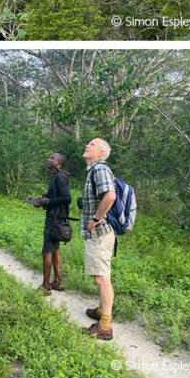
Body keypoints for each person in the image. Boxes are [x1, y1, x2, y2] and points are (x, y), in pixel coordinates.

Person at [80, 137, 117, 340]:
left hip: (100, 233)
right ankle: (101, 309)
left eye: (92, 144)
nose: (87, 145)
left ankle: (105, 326)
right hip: (100, 233)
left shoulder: (100, 168)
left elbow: (110, 196)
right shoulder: (94, 170)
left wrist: (95, 220)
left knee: (101, 278)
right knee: (103, 275)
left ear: (101, 153)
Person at [28, 153, 71, 295]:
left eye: (52, 158)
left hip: (54, 220)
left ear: (59, 163)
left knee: (46, 252)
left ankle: (45, 286)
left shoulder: (59, 177)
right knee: (55, 249)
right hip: (57, 218)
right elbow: (54, 197)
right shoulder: (56, 176)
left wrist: (49, 202)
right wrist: (43, 201)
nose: (48, 159)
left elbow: (67, 198)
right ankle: (57, 281)